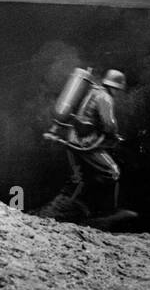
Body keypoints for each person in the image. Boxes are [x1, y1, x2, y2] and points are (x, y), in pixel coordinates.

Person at [37, 68, 128, 223]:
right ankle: (105, 211)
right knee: (112, 172)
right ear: (114, 86)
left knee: (80, 177)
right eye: (118, 89)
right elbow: (109, 124)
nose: (119, 93)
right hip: (86, 142)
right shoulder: (105, 97)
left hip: (74, 136)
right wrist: (115, 136)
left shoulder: (93, 91)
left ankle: (68, 209)